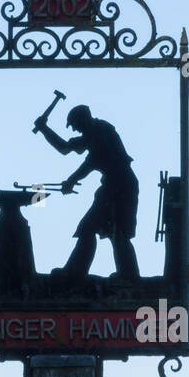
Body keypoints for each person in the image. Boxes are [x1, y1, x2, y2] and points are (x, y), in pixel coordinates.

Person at [34, 104, 140, 282]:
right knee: (100, 230)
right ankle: (123, 274)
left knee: (108, 231)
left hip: (121, 187)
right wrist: (45, 129)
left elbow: (91, 162)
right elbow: (65, 148)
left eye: (75, 125)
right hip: (115, 186)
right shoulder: (94, 132)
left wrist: (71, 180)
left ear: (83, 120)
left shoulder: (101, 132)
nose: (74, 129)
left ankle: (80, 272)